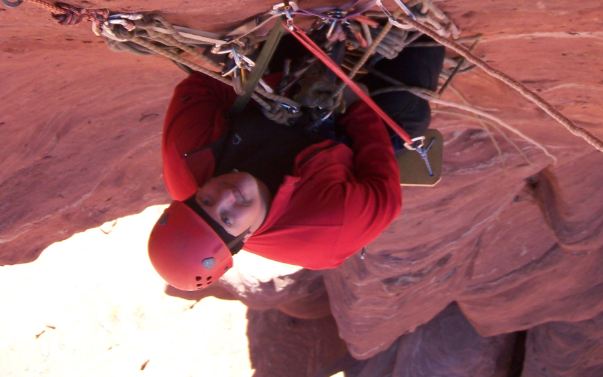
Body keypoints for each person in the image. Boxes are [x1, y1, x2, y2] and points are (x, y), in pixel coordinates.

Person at [148, 32, 444, 291]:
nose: (225, 195)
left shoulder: (187, 154)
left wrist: (286, 85)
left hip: (275, 98)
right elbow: (383, 191)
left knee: (288, 36)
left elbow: (203, 86)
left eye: (206, 201)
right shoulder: (327, 230)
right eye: (226, 219)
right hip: (345, 150)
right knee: (407, 107)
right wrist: (358, 108)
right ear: (244, 238)